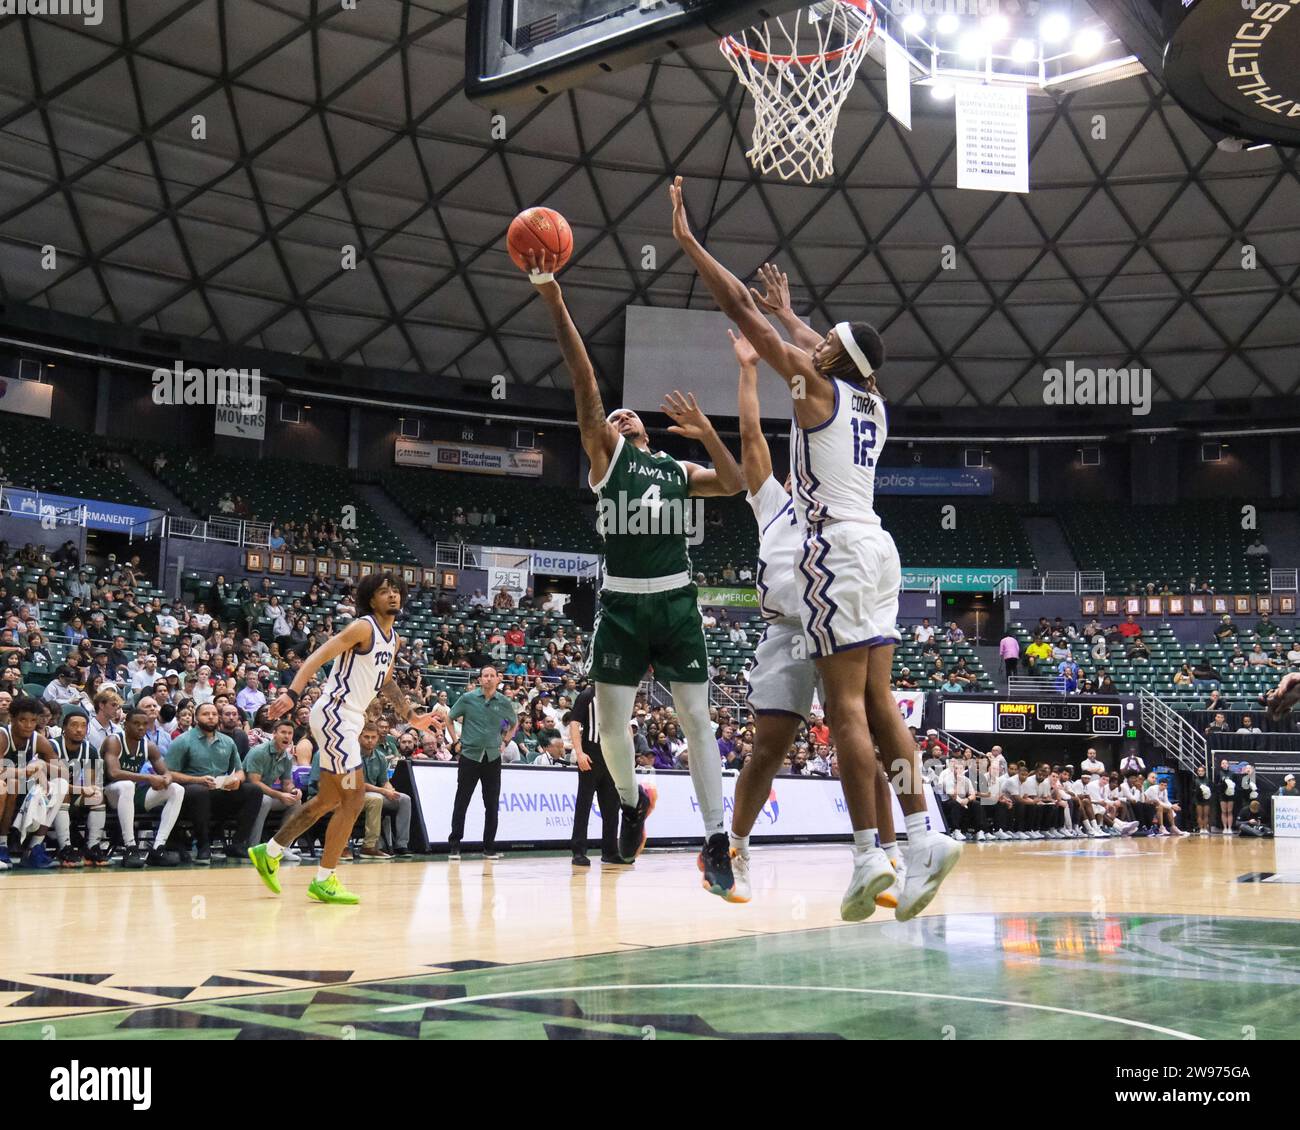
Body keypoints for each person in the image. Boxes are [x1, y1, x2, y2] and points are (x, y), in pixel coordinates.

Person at [670, 191, 958, 917]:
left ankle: (868, 853)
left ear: (828, 357)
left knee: (847, 711)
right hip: (880, 548)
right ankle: (922, 838)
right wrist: (798, 316)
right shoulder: (870, 400)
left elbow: (742, 311)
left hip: (836, 553)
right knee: (881, 704)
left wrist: (690, 243)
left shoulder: (813, 388)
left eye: (820, 339)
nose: (811, 339)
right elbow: (827, 345)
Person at [525, 243, 745, 898]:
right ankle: (628, 801)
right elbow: (585, 383)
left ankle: (715, 842)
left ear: (643, 429)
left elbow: (734, 485)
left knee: (697, 719)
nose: (617, 416)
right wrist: (555, 298)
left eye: (627, 415)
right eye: (611, 416)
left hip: (677, 602)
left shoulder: (676, 472)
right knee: (609, 726)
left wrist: (707, 431)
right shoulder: (606, 460)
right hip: (620, 607)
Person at [250, 573, 435, 903]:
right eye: (383, 592)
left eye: (396, 591)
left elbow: (387, 683)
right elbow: (315, 658)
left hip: (348, 719)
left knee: (330, 801)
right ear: (370, 598)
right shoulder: (363, 627)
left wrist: (412, 716)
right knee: (354, 798)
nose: (392, 596)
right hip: (335, 715)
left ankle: (271, 850)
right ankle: (325, 879)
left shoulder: (394, 639)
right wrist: (293, 693)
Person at [445, 666, 519, 860]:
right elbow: (449, 718)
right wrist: (455, 741)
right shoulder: (468, 698)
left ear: (498, 679)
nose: (488, 679)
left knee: (492, 804)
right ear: (480, 679)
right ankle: (454, 845)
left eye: (491, 676)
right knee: (462, 801)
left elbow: (514, 723)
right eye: (485, 676)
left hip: (492, 758)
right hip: (469, 756)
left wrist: (505, 742)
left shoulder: (503, 701)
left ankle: (489, 847)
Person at [101, 706, 187, 867]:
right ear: (126, 724)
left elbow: (166, 772)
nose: (141, 727)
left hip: (133, 794)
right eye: (136, 723)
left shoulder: (149, 746)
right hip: (109, 794)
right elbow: (113, 773)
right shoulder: (114, 741)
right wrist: (149, 778)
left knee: (177, 789)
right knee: (126, 785)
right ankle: (130, 847)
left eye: (144, 724)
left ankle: (158, 847)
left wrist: (166, 780)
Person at [244, 718, 303, 853]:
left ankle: (281, 848)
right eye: (283, 732)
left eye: (290, 733)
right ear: (274, 734)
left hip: (269, 795)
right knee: (265, 801)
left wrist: (293, 791)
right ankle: (253, 847)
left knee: (295, 802)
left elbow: (287, 783)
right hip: (248, 795)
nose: (287, 736)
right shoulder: (259, 752)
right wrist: (279, 795)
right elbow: (254, 782)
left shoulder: (287, 757)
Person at [360, 721, 412, 859]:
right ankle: (372, 845)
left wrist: (391, 790)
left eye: (373, 737)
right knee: (376, 798)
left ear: (378, 738)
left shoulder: (380, 757)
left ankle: (401, 844)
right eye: (366, 737)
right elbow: (359, 785)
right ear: (359, 737)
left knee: (404, 799)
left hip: (375, 792)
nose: (370, 740)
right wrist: (384, 791)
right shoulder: (353, 757)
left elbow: (384, 781)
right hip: (357, 794)